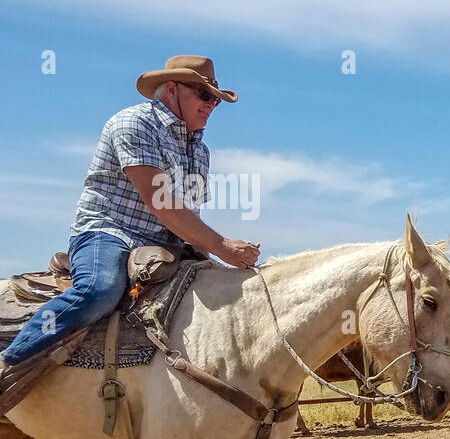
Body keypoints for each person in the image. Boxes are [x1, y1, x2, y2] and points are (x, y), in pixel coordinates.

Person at [1, 56, 260, 373]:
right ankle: (9, 365)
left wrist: (211, 260)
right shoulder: (133, 123)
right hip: (110, 232)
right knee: (99, 291)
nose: (211, 106)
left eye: (216, 101)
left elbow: (189, 215)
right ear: (171, 88)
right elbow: (160, 201)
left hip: (167, 243)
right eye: (203, 95)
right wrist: (223, 247)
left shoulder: (199, 150)